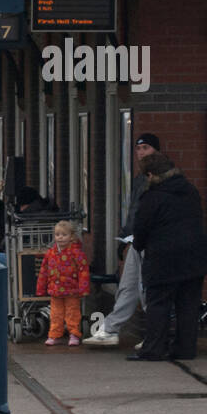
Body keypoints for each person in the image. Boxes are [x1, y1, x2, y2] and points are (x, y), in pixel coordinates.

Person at [129, 151, 207, 361]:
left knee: (159, 304)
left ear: (150, 175)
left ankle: (154, 349)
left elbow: (141, 228)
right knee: (188, 306)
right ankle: (185, 349)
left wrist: (137, 245)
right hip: (195, 256)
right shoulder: (190, 190)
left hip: (164, 259)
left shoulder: (152, 197)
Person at [84, 132, 159, 347]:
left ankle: (153, 334)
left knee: (145, 288)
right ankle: (110, 329)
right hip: (135, 238)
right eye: (138, 149)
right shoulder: (139, 179)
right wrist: (126, 236)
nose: (141, 152)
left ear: (156, 151)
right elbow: (134, 210)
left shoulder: (157, 178)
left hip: (149, 241)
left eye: (146, 148)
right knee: (128, 286)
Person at [36, 220, 91, 345]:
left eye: (64, 235)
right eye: (57, 234)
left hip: (72, 290)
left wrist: (83, 289)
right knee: (56, 314)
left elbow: (83, 271)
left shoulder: (77, 253)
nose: (60, 237)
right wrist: (40, 288)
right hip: (55, 290)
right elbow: (44, 271)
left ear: (71, 237)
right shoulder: (50, 253)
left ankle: (74, 334)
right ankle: (54, 334)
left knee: (73, 313)